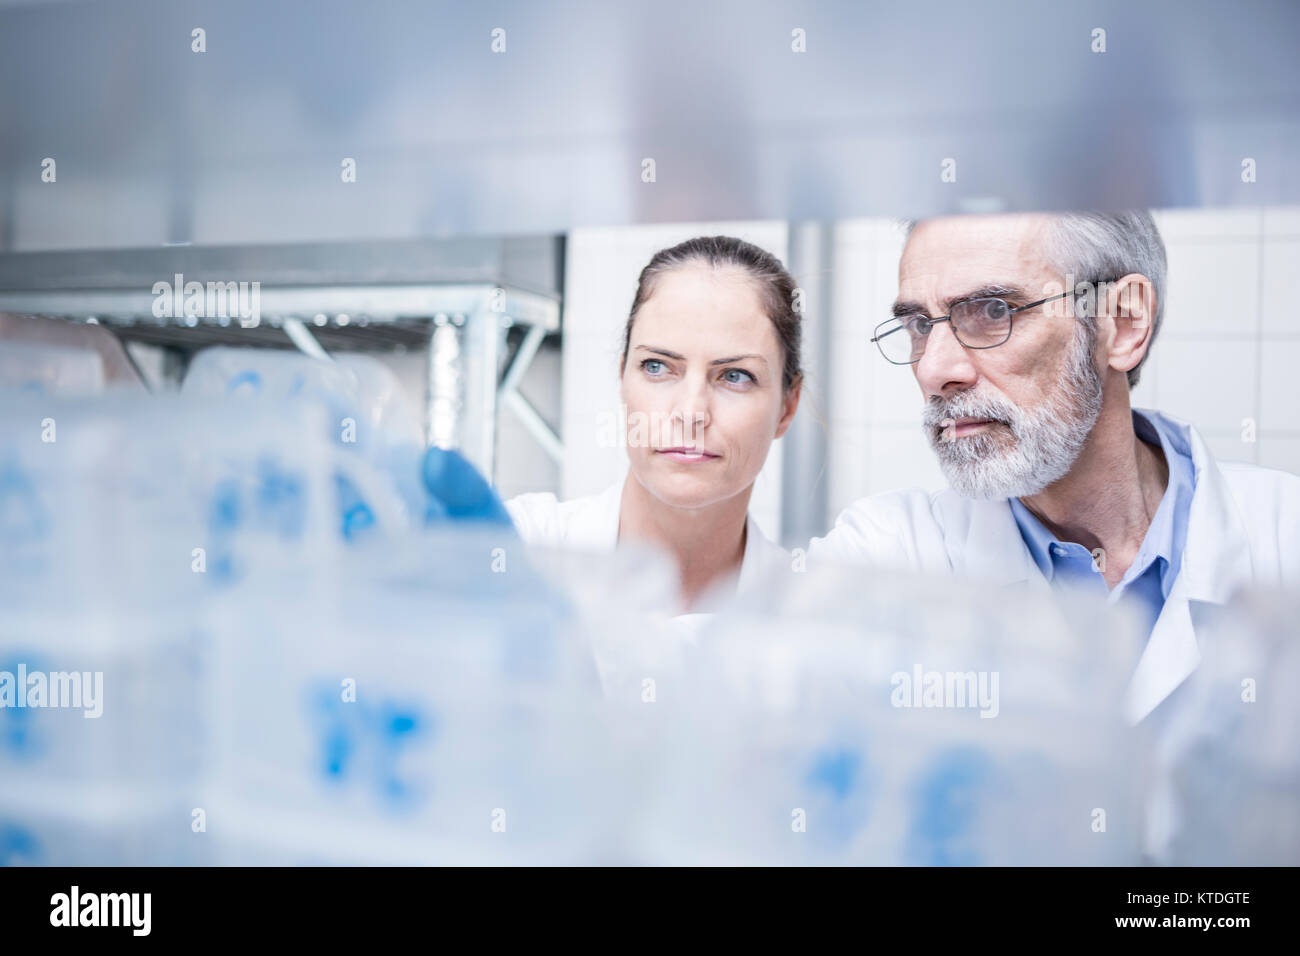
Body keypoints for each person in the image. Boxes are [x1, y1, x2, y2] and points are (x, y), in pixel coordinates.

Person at [807, 211, 1300, 857]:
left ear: (1123, 322)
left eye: (990, 311)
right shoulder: (887, 556)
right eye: (919, 324)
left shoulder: (1285, 537)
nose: (934, 369)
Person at [507, 236, 800, 614]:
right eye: (657, 367)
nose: (691, 412)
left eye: (735, 376)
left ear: (786, 406)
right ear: (622, 376)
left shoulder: (801, 615)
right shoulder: (524, 548)